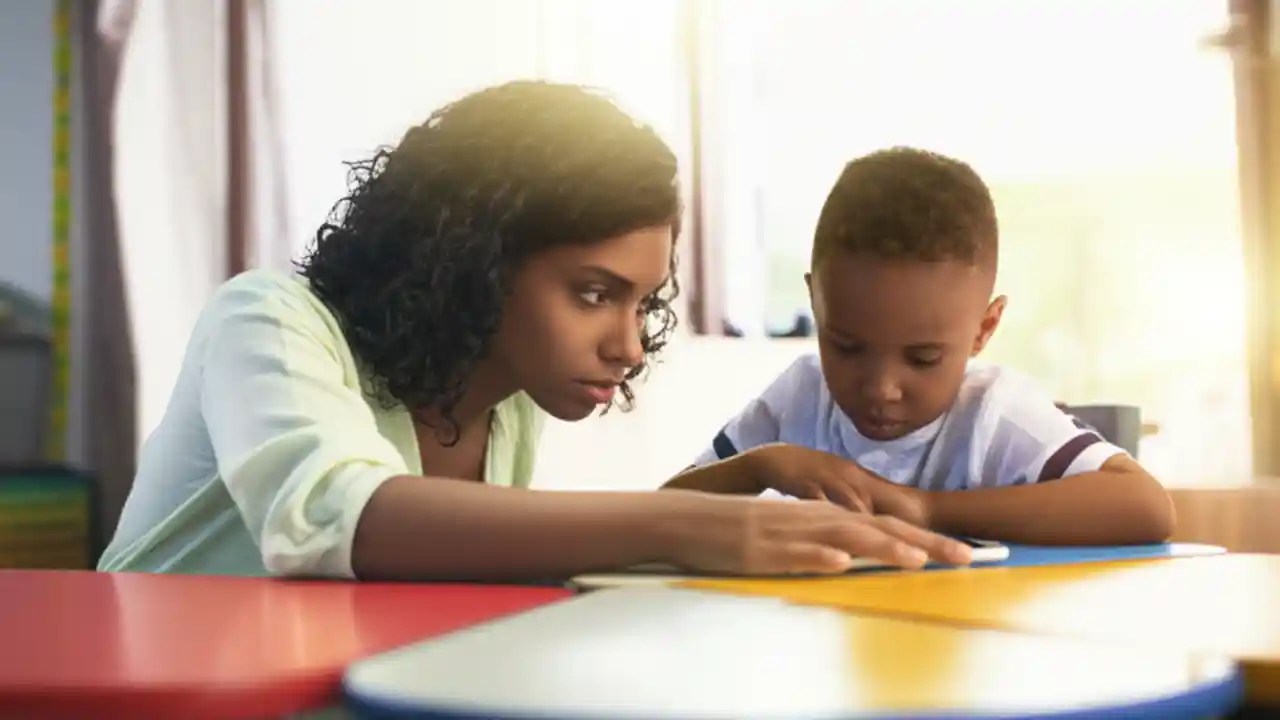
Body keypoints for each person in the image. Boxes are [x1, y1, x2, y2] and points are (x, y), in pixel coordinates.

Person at [98, 83, 973, 580]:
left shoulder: (502, 405)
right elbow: (337, 521)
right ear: (471, 256)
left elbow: (500, 542)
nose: (629, 345)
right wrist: (690, 528)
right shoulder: (268, 321)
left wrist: (753, 474)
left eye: (640, 304)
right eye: (594, 293)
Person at [667, 147, 1175, 546]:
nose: (881, 388)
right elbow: (658, 511)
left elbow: (1146, 506)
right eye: (846, 347)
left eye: (923, 358)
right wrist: (758, 466)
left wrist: (926, 509)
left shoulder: (994, 413)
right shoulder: (798, 399)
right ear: (815, 303)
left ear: (984, 329)